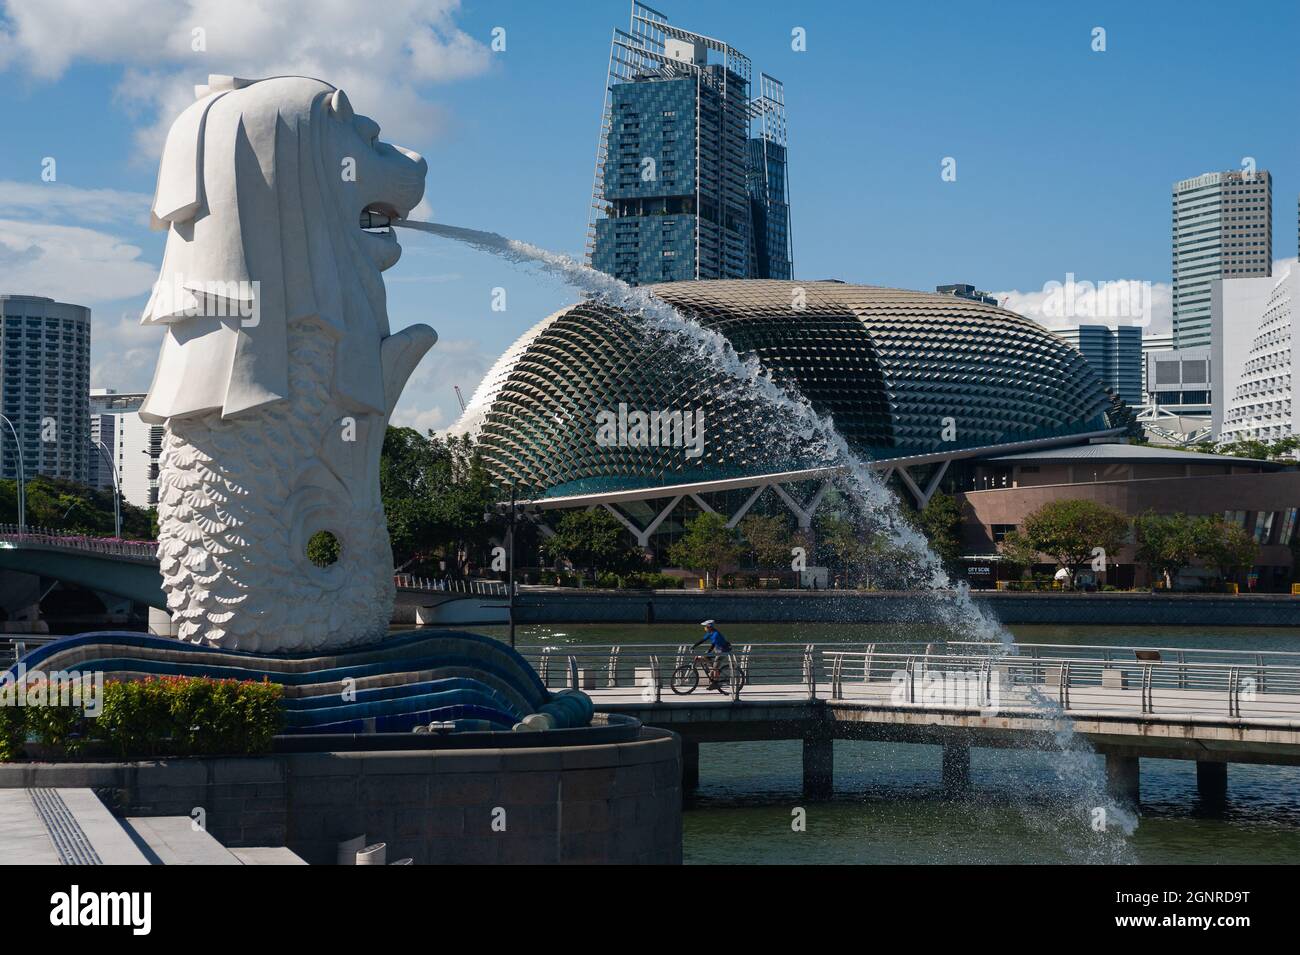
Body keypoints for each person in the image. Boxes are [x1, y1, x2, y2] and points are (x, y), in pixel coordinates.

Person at [692, 619, 732, 690]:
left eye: (705, 626)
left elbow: (713, 645)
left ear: (709, 627)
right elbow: (702, 640)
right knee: (705, 656)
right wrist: (694, 646)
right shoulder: (710, 632)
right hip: (717, 649)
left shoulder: (716, 634)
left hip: (723, 650)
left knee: (715, 667)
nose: (704, 628)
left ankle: (716, 683)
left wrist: (709, 651)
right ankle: (709, 667)